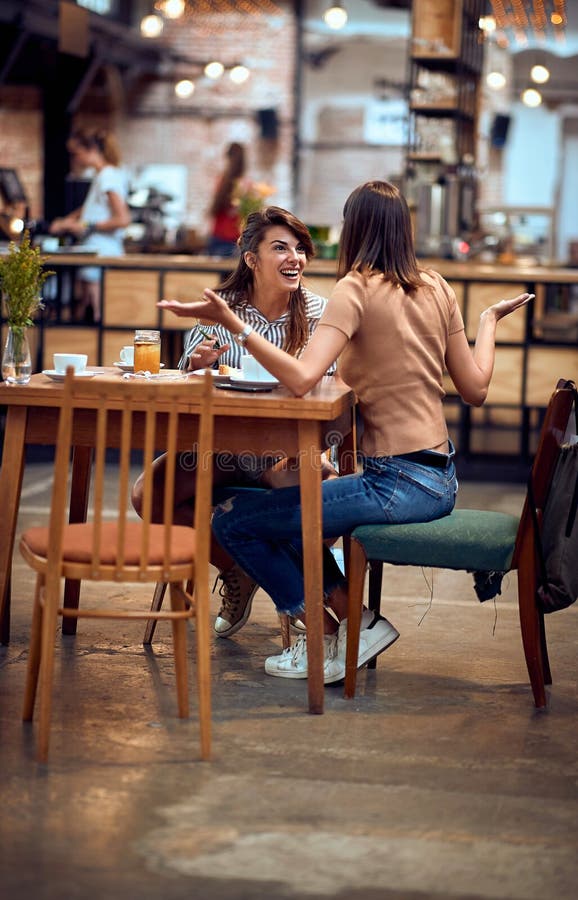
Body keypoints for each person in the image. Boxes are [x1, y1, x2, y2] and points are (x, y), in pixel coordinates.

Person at [158, 180, 533, 686]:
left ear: (354, 228)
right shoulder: (436, 286)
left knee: (235, 524)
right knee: (286, 510)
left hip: (394, 484)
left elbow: (300, 378)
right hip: (440, 480)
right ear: (405, 229)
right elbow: (476, 388)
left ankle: (341, 631)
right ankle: (350, 626)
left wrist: (233, 323)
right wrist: (487, 321)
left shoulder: (353, 290)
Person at [132, 206, 336, 639]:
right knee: (149, 494)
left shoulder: (320, 313)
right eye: (280, 248)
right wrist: (195, 368)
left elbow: (331, 389)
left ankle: (319, 612)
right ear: (251, 258)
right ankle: (238, 571)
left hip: (290, 451)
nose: (294, 258)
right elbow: (192, 386)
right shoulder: (220, 310)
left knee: (323, 501)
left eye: (299, 249)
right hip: (221, 451)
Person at [49, 126, 131, 321]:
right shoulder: (103, 175)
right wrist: (69, 220)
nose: (75, 159)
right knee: (87, 310)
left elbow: (123, 218)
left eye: (77, 153)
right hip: (94, 252)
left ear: (92, 150)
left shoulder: (107, 176)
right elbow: (91, 209)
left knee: (98, 316)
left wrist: (86, 226)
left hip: (102, 252)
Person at [206, 142, 246, 257]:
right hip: (233, 240)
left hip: (217, 238)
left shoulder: (221, 182)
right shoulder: (243, 184)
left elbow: (214, 212)